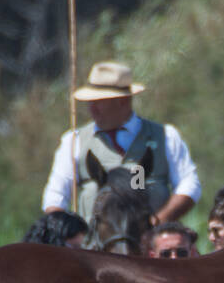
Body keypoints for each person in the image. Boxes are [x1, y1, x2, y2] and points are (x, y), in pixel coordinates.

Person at [41, 61, 201, 224]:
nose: (92, 108)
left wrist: (160, 220)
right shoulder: (73, 141)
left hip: (154, 243)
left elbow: (189, 184)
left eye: (99, 101)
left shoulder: (166, 136)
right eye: (90, 101)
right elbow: (55, 196)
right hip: (91, 247)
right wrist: (65, 231)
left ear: (123, 101)